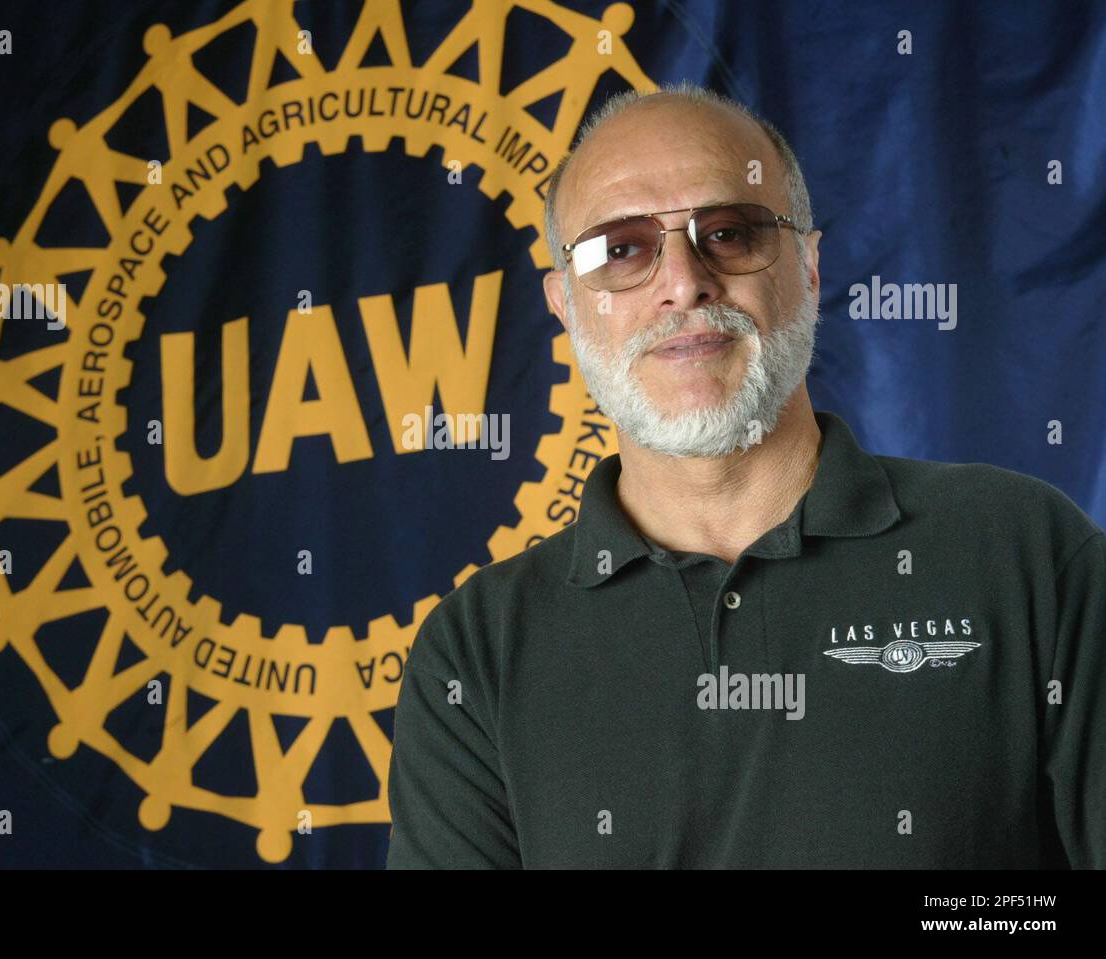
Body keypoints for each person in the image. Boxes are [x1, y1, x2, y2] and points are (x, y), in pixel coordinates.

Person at [385, 81, 1105, 868]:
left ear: (809, 264)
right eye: (622, 249)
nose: (683, 281)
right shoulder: (474, 653)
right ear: (565, 306)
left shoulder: (1025, 551)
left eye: (729, 232)